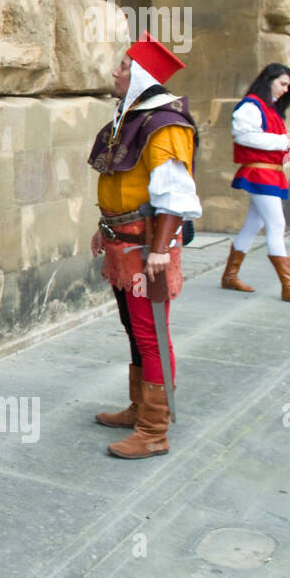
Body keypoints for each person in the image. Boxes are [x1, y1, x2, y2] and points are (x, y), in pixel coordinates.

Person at [88, 33, 201, 459]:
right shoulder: (131, 117)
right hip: (124, 243)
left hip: (146, 249)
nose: (115, 73)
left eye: (122, 67)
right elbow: (121, 182)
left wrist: (158, 249)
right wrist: (105, 227)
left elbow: (175, 192)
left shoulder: (164, 124)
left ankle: (154, 430)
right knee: (135, 331)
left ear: (139, 77)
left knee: (151, 333)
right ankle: (140, 408)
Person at [220, 63, 290, 302]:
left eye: (287, 86)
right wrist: (283, 141)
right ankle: (289, 286)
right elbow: (244, 135)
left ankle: (230, 276)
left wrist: (287, 143)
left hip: (269, 173)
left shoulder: (268, 108)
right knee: (276, 225)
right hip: (260, 174)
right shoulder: (252, 105)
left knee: (254, 225)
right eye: (282, 83)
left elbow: (262, 138)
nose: (285, 90)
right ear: (269, 80)